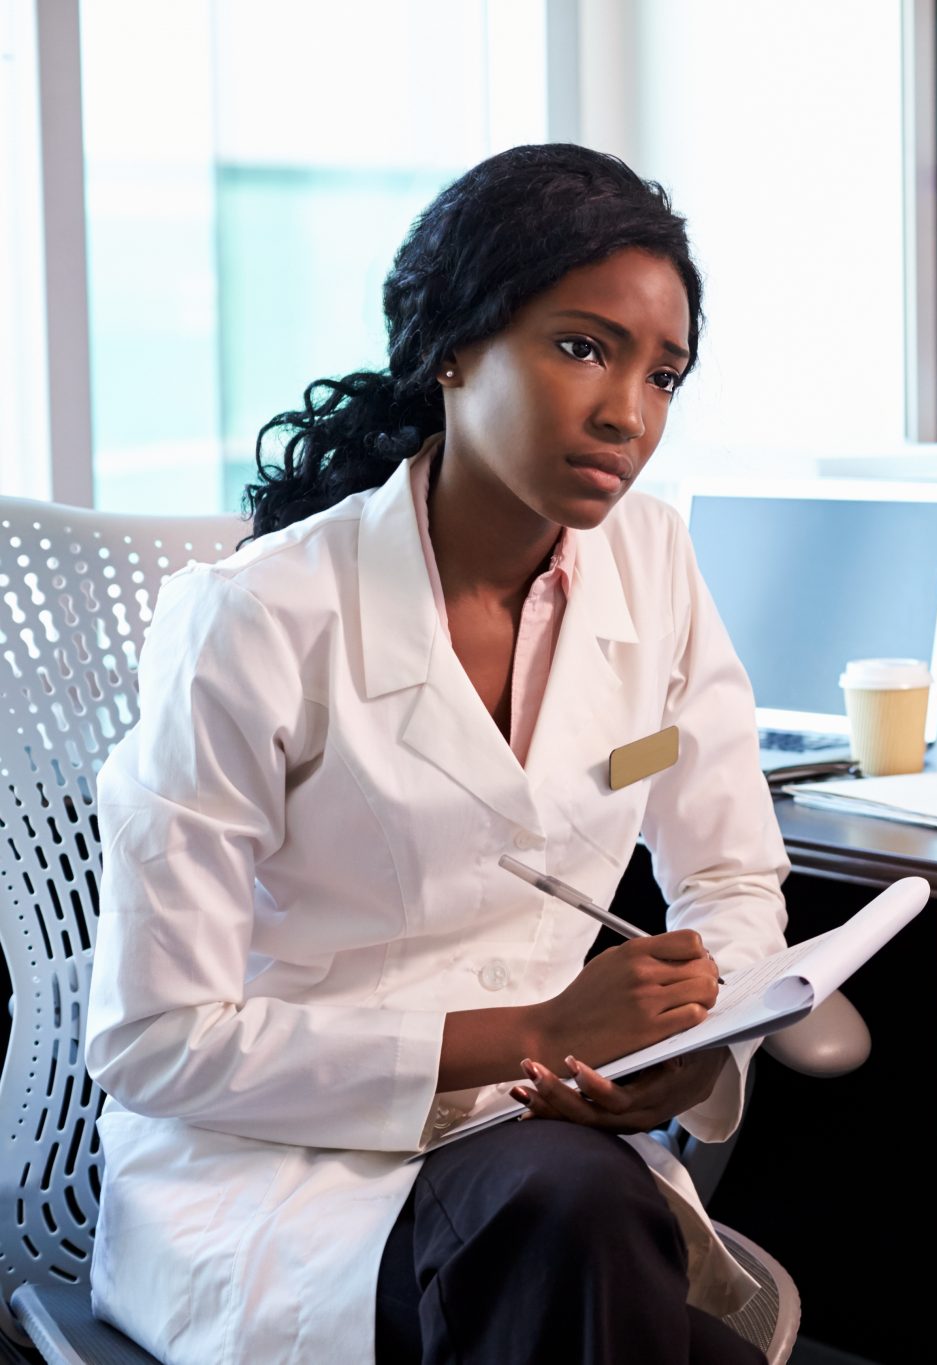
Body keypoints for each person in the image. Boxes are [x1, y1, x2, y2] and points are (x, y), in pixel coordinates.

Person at [84, 144, 783, 1365]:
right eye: (582, 347)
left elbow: (730, 877)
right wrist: (533, 1030)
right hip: (285, 1170)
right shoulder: (258, 618)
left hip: (538, 1151)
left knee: (595, 1238)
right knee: (585, 1229)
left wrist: (685, 1042)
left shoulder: (655, 564)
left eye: (663, 373)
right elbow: (157, 1039)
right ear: (454, 347)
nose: (628, 411)